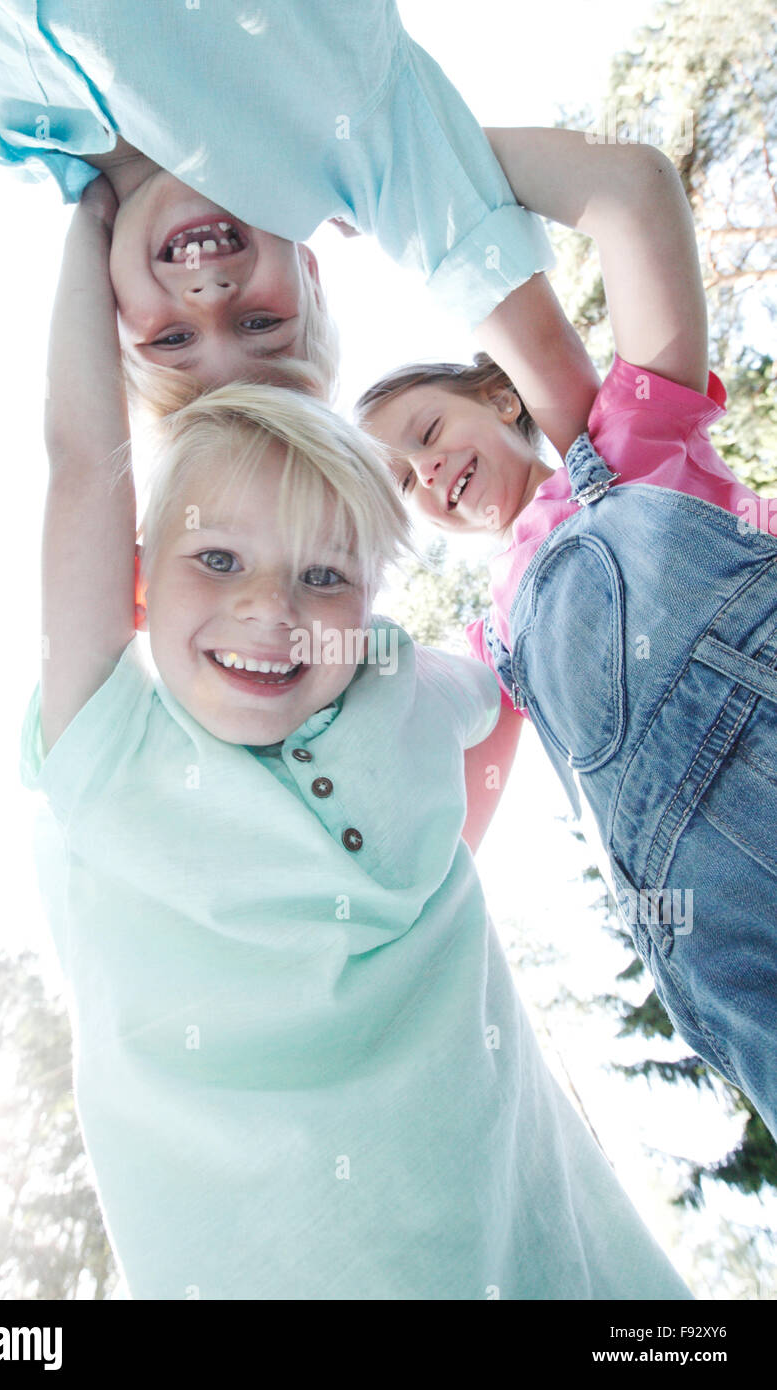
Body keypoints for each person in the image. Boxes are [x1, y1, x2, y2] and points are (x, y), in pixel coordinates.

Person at [17, 179, 692, 1298]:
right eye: (217, 561)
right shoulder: (105, 742)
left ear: (374, 598)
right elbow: (83, 461)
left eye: (323, 576)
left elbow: (541, 612)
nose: (268, 611)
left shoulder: (407, 685)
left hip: (529, 1245)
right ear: (137, 587)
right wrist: (86, 227)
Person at [356, 126, 777, 1140]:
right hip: (725, 958)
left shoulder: (626, 442)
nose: (425, 478)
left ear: (496, 388)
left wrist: (400, 157)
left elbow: (630, 191)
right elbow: (441, 839)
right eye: (400, 488)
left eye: (420, 434)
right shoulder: (491, 648)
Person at [0, 0, 596, 419]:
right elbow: (474, 259)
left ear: (110, 319)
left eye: (172, 340)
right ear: (311, 268)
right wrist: (614, 484)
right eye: (262, 322)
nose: (210, 295)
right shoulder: (333, 100)